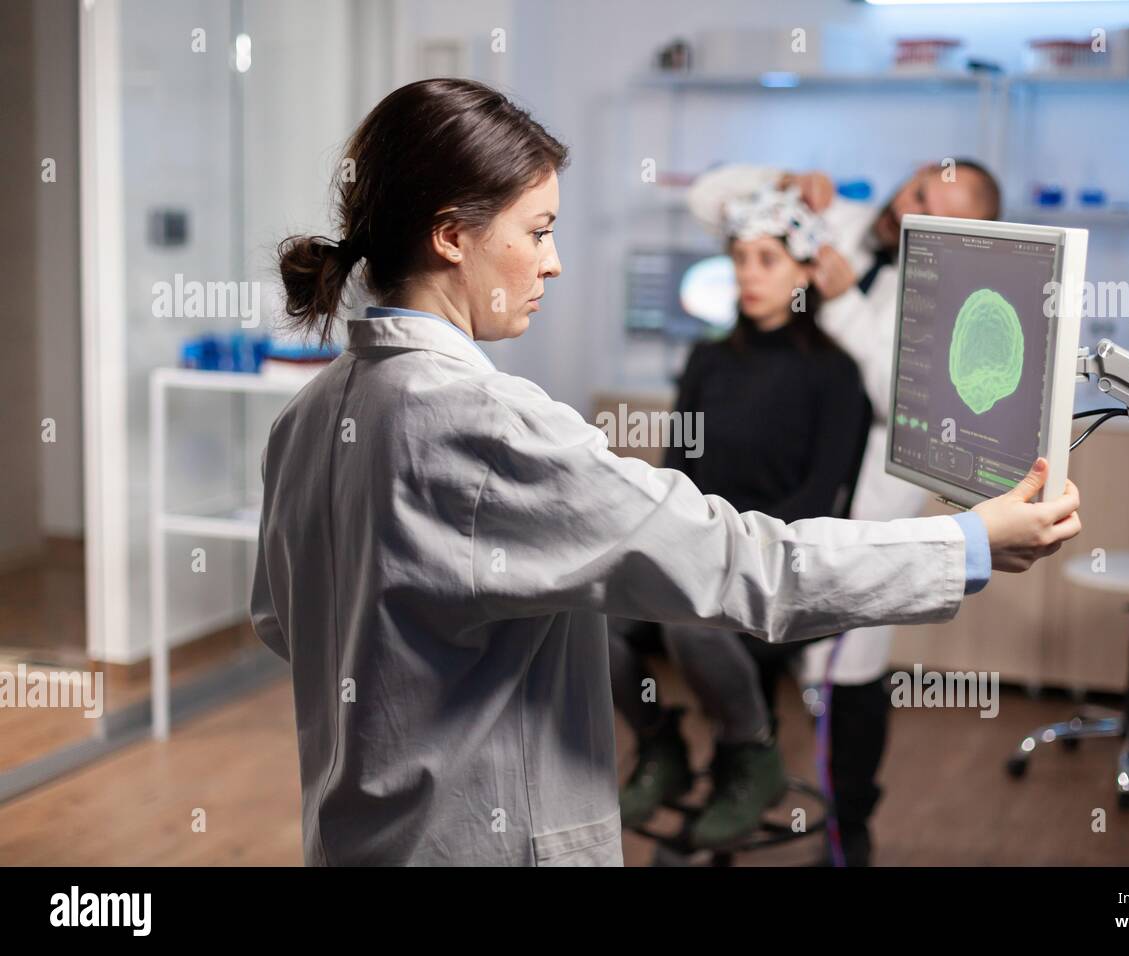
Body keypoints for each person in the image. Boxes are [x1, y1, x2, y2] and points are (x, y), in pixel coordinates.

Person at [251, 78, 1082, 867]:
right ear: (450, 236)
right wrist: (968, 543)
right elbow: (746, 566)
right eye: (537, 231)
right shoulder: (490, 426)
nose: (553, 262)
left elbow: (280, 621)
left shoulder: (310, 413)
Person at [688, 160, 1004, 864]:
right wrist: (779, 180)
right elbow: (712, 205)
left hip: (865, 507)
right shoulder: (842, 220)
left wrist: (840, 303)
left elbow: (906, 400)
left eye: (932, 211)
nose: (907, 208)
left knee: (845, 679)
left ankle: (846, 831)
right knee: (749, 645)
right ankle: (746, 782)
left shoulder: (948, 301)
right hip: (789, 480)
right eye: (916, 189)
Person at [610, 185, 870, 850]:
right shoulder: (708, 360)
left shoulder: (836, 375)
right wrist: (676, 545)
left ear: (805, 272)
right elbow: (677, 471)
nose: (748, 274)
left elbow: (819, 499)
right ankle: (659, 745)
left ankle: (750, 756)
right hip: (697, 553)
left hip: (783, 568)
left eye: (767, 259)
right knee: (588, 614)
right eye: (740, 259)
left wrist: (723, 554)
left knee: (692, 623)